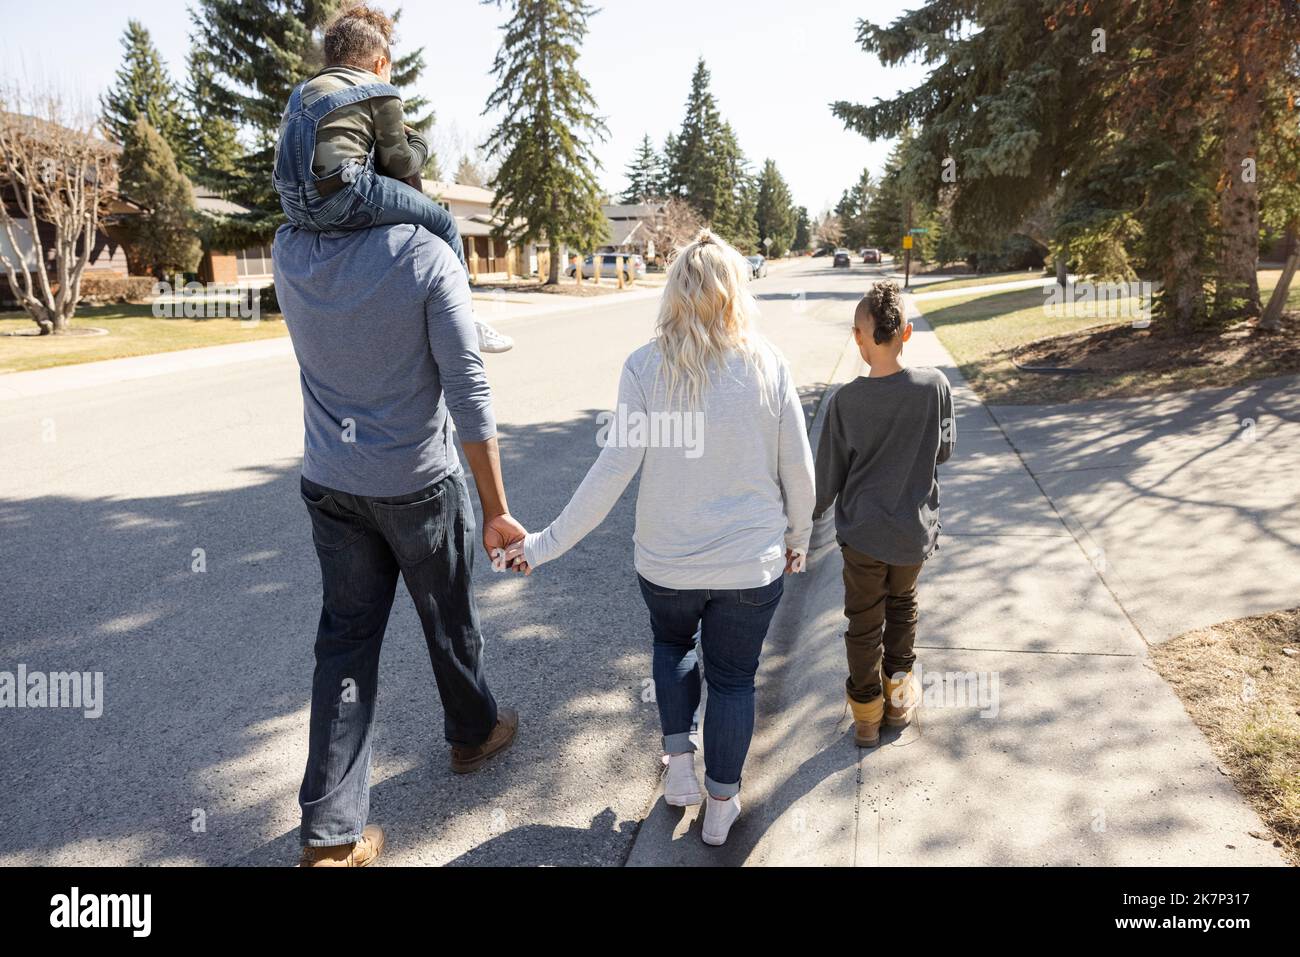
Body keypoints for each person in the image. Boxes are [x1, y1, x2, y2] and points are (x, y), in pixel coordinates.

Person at [505, 231, 815, 847]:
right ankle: (721, 804)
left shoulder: (645, 366)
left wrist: (541, 545)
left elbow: (612, 471)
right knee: (734, 680)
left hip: (667, 563)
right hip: (750, 567)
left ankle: (679, 771)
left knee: (672, 647)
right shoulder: (767, 363)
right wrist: (798, 536)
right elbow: (798, 468)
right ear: (734, 294)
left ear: (675, 294)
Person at [273, 210, 525, 866]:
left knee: (346, 642)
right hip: (416, 482)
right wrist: (496, 505)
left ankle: (330, 838)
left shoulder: (294, 247)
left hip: (330, 479)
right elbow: (468, 390)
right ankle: (472, 733)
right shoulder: (425, 253)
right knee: (445, 614)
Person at [271, 3, 513, 354]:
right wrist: (420, 142)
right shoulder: (378, 90)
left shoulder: (302, 93)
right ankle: (467, 321)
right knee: (443, 222)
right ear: (380, 64)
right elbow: (399, 164)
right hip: (342, 196)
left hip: (293, 206)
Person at [812, 281, 955, 748]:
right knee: (903, 608)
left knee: (863, 622)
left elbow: (826, 479)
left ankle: (866, 717)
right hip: (912, 532)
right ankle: (898, 701)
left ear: (858, 337)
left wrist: (797, 528)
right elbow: (945, 450)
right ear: (907, 333)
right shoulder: (935, 387)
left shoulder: (845, 402)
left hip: (863, 536)